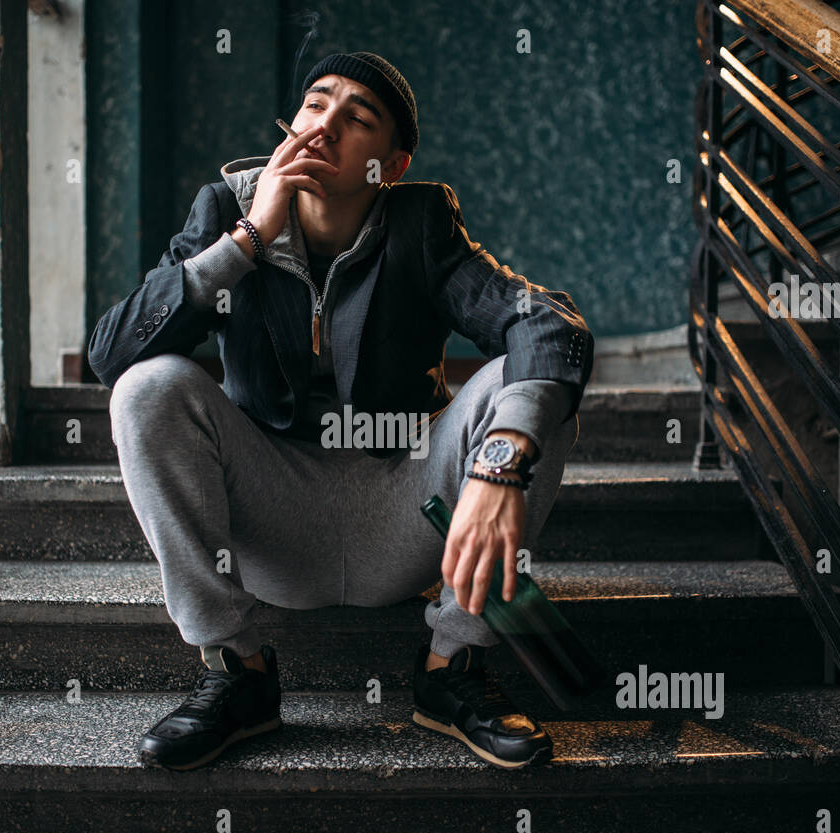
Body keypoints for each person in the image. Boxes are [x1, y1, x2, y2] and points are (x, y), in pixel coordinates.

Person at [89, 51, 594, 771]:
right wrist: (246, 241)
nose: (326, 123)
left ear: (390, 165)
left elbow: (549, 324)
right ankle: (238, 673)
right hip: (270, 528)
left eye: (358, 118)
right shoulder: (227, 208)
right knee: (148, 387)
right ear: (289, 127)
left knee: (533, 384)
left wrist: (500, 460)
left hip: (406, 515)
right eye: (315, 103)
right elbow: (112, 352)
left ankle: (451, 668)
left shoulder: (421, 223)